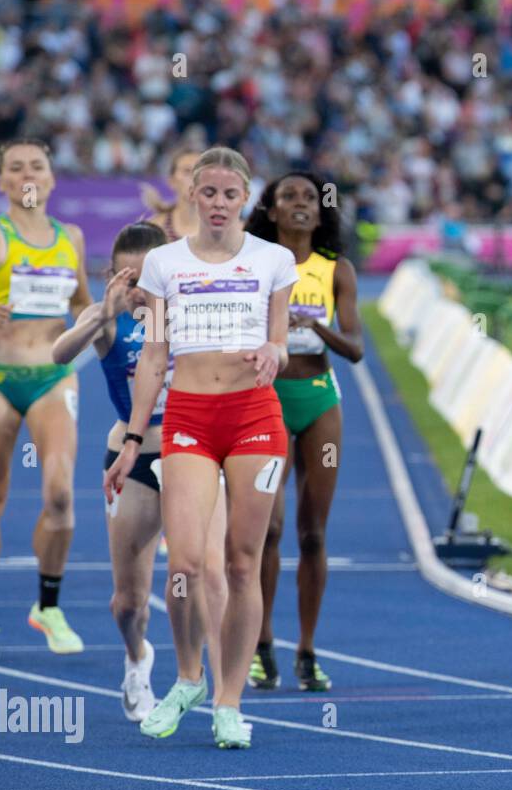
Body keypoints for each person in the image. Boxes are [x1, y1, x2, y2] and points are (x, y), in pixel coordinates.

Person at [105, 146, 297, 749]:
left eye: (229, 194)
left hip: (255, 419)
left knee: (242, 562)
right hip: (188, 416)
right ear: (192, 196)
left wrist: (275, 353)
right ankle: (188, 676)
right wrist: (134, 439)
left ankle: (230, 701)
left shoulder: (274, 259)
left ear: (246, 199)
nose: (218, 204)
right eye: (208, 193)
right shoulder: (164, 264)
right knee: (185, 563)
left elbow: (280, 343)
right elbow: (155, 356)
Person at [52, 222, 229, 719]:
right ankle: (137, 658)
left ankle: (218, 693)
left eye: (148, 279)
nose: (139, 292)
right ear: (112, 276)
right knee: (128, 603)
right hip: (130, 460)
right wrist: (102, 313)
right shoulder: (106, 318)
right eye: (129, 281)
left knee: (205, 575)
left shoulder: (185, 313)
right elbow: (60, 354)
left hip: (192, 453)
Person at [244, 172, 364, 691]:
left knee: (312, 535)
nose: (299, 204)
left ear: (320, 212)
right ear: (270, 211)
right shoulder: (254, 265)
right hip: (266, 398)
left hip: (319, 400)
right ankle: (262, 645)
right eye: (288, 197)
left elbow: (355, 349)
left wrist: (313, 325)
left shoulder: (337, 270)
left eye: (309, 198)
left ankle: (308, 652)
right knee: (267, 531)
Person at [0, 138, 93, 661]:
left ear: (51, 179)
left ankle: (48, 607)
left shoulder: (70, 238)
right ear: (1, 181)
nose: (27, 174)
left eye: (37, 166)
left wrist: (113, 313)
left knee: (61, 496)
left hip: (53, 378)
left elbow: (83, 305)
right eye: (16, 167)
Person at [142, 148, 203, 241]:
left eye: (200, 171)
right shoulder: (153, 229)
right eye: (187, 171)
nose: (195, 178)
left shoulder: (225, 229)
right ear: (172, 181)